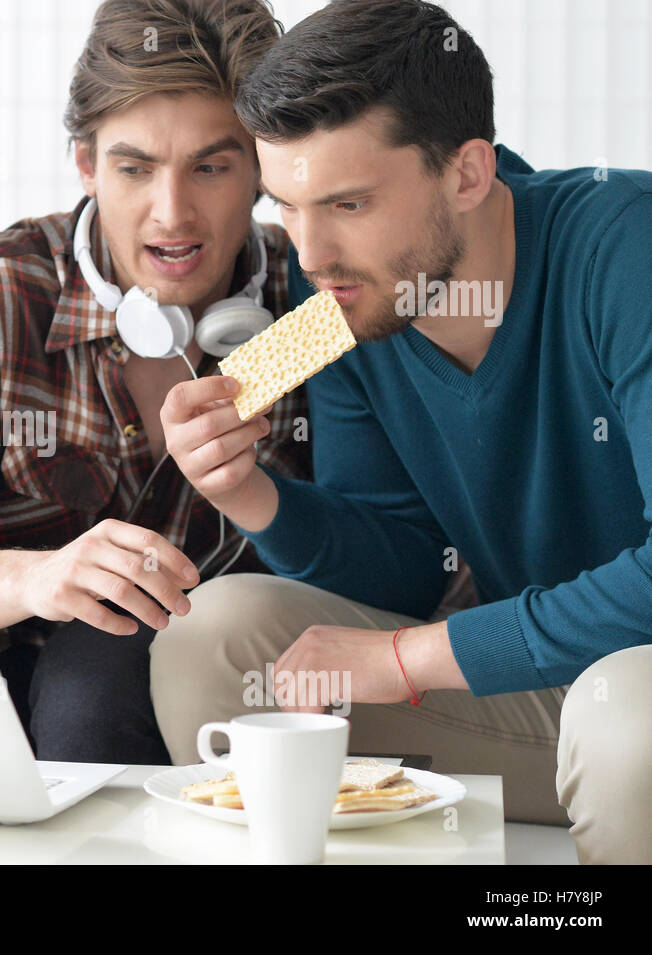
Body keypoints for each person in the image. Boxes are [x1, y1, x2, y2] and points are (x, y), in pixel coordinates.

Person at [151, 0, 652, 863]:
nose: (310, 253)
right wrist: (253, 494)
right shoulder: (343, 305)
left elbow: (411, 638)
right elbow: (409, 571)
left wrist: (408, 660)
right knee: (212, 638)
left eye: (347, 203)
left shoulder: (625, 246)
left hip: (632, 702)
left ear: (466, 174)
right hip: (539, 691)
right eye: (288, 206)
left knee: (628, 714)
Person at [0, 0, 315, 764]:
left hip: (234, 693)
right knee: (84, 676)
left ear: (261, 167)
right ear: (85, 163)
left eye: (211, 166)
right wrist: (33, 578)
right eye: (134, 167)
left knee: (103, 674)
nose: (171, 214)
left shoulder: (305, 306)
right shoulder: (1, 292)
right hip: (12, 680)